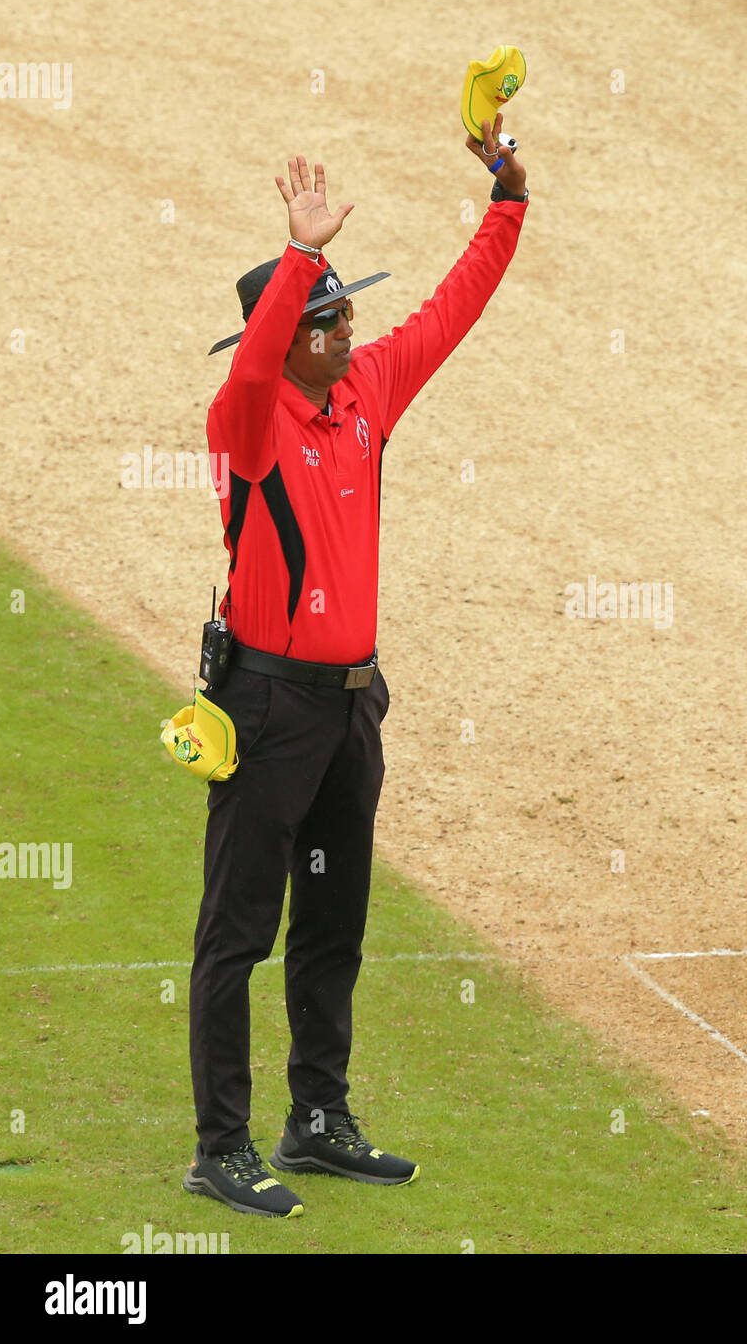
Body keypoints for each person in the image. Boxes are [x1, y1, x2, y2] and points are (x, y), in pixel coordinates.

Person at [183, 118, 528, 1217]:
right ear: (284, 334)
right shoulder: (245, 420)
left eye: (345, 313)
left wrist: (507, 202)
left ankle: (317, 1118)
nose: (349, 328)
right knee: (237, 933)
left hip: (346, 707)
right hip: (267, 702)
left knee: (332, 920)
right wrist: (297, 257)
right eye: (328, 317)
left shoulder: (365, 388)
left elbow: (452, 311)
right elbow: (256, 359)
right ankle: (221, 1145)